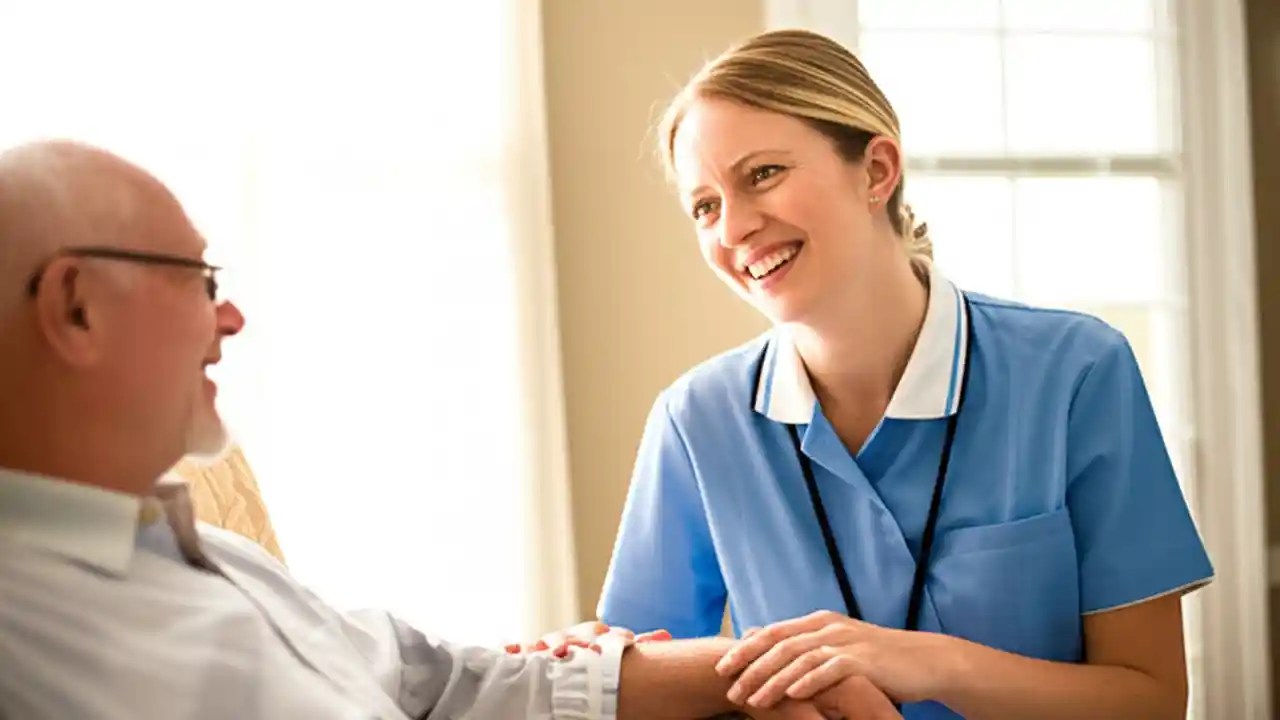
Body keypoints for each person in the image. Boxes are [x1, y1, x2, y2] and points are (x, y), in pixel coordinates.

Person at [0, 139, 898, 720]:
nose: (230, 318)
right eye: (196, 281)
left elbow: (435, 681)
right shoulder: (32, 642)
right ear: (75, 305)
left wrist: (754, 673)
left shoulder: (211, 554)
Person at [595, 28, 1214, 720]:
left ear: (878, 170)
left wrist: (930, 662)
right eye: (704, 205)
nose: (733, 227)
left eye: (762, 174)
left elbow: (1153, 700)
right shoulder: (696, 419)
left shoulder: (1076, 372)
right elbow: (642, 690)